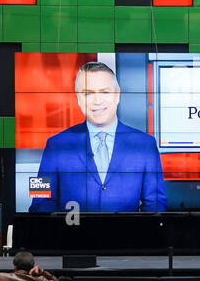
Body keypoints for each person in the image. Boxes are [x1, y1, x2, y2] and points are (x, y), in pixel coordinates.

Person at [29, 61, 167, 213]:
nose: (97, 101)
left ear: (117, 95)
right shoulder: (55, 145)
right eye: (88, 93)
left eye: (105, 92)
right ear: (78, 99)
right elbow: (39, 203)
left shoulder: (145, 145)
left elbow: (156, 204)